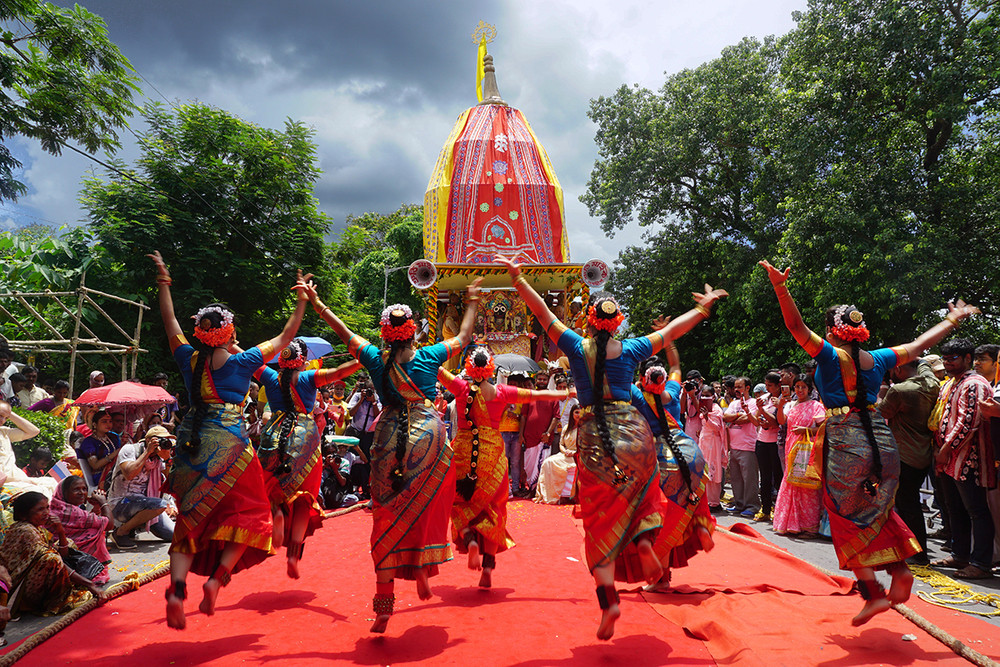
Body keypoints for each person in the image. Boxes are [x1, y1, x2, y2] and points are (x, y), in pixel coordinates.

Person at [498, 253, 726, 640]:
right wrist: (700, 310)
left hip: (594, 439)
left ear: (589, 321)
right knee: (642, 498)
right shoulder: (634, 348)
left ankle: (609, 604)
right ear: (618, 322)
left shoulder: (574, 345)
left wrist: (520, 280)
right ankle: (643, 541)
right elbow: (671, 336)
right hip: (635, 434)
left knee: (599, 520)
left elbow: (543, 317)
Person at [760, 258, 979, 626]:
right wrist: (953, 320)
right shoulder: (876, 358)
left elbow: (795, 326)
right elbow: (920, 343)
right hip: (882, 441)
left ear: (832, 330)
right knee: (878, 510)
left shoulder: (828, 355)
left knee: (844, 515)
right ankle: (898, 571)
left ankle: (873, 592)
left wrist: (781, 287)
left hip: (847, 444)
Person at [305, 276, 481, 634]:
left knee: (387, 516)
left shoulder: (373, 357)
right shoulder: (431, 355)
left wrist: (317, 303)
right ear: (413, 332)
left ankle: (384, 605)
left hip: (387, 439)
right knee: (428, 504)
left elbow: (343, 332)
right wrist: (473, 301)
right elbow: (463, 339)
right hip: (428, 436)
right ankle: (422, 569)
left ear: (385, 333)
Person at [148, 251, 308, 630]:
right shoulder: (242, 362)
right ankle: (218, 579)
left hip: (190, 439)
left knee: (189, 519)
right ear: (230, 332)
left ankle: (176, 589)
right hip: (230, 441)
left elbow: (169, 321)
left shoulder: (187, 357)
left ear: (200, 332)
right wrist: (302, 301)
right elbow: (287, 336)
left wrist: (164, 284)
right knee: (252, 514)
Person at [439, 347, 572, 589]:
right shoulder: (502, 392)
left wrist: (405, 348)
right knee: (494, 509)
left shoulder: (460, 388)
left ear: (469, 367)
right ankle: (488, 567)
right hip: (493, 456)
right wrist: (566, 392)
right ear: (491, 370)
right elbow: (537, 395)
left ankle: (469, 538)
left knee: (459, 503)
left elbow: (435, 370)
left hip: (463, 453)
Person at [254, 339, 360, 578]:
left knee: (273, 487)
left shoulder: (270, 377)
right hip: (304, 439)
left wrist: (229, 344)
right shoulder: (309, 378)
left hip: (273, 435)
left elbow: (249, 359)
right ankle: (293, 554)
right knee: (304, 498)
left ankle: (277, 513)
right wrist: (362, 358)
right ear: (301, 360)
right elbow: (339, 372)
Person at [633, 360, 716, 592]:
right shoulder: (671, 390)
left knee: (661, 521)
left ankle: (661, 578)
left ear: (642, 378)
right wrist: (668, 343)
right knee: (688, 498)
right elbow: (677, 366)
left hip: (660, 456)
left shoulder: (637, 395)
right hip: (689, 450)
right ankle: (701, 524)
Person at [932, 338, 996, 579]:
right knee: (955, 508)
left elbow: (969, 422)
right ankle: (960, 554)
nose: (947, 363)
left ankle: (980, 563)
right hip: (949, 458)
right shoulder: (951, 383)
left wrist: (946, 449)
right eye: (945, 359)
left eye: (953, 359)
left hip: (971, 459)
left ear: (967, 358)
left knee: (977, 510)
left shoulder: (975, 384)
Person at [0, 491, 104, 615]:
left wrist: (60, 532)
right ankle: (46, 602)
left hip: (30, 579)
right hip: (17, 589)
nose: (46, 513)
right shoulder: (25, 530)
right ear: (23, 515)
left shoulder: (37, 528)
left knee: (67, 544)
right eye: (40, 509)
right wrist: (88, 584)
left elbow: (64, 555)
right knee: (51, 558)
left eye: (47, 508)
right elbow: (55, 558)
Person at [879, 358, 940, 564]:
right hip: (924, 454)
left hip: (904, 455)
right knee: (909, 503)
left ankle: (917, 553)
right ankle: (912, 549)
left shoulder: (900, 391)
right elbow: (924, 365)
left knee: (907, 505)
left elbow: (882, 411)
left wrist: (881, 391)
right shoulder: (931, 383)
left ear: (898, 369)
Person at [773, 374, 826, 537]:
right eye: (797, 387)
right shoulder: (791, 404)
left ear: (809, 388)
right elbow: (781, 422)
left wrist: (807, 430)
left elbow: (824, 428)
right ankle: (791, 524)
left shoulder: (816, 406)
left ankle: (810, 526)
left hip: (807, 450)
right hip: (791, 449)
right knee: (792, 483)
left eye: (803, 387)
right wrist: (781, 406)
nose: (800, 390)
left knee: (806, 486)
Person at [106, 425, 176, 550]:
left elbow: (171, 483)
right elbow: (129, 474)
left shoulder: (158, 459)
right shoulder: (130, 449)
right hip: (120, 503)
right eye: (161, 440)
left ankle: (133, 526)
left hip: (147, 504)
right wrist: (147, 452)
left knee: (174, 535)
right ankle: (120, 532)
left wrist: (167, 459)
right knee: (160, 504)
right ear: (149, 440)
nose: (164, 443)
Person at [49, 476, 113, 584]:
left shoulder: (56, 506)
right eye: (76, 489)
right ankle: (89, 572)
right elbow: (109, 525)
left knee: (95, 527)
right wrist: (103, 502)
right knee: (96, 531)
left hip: (59, 554)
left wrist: (97, 507)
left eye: (84, 489)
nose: (82, 493)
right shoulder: (72, 512)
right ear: (64, 492)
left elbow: (88, 521)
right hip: (63, 556)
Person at [745, 372, 782, 521]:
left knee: (778, 477)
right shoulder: (763, 399)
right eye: (766, 385)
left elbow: (775, 422)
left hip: (775, 443)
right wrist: (747, 410)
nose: (767, 388)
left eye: (770, 385)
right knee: (765, 478)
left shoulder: (781, 400)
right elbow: (755, 422)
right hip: (762, 441)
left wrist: (762, 411)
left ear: (778, 385)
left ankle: (779, 510)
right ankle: (765, 509)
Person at [0, 403, 57, 496]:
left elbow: (34, 431)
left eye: (6, 418)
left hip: (19, 477)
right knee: (41, 492)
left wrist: (10, 413)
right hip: (8, 481)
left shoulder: (4, 432)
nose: (2, 421)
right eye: (0, 416)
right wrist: (27, 481)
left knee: (55, 483)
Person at [519, 370, 560, 496]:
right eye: (539, 379)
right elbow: (524, 416)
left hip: (544, 438)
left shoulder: (553, 396)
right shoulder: (530, 395)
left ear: (548, 381)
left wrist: (548, 433)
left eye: (544, 379)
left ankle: (540, 492)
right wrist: (520, 434)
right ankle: (532, 490)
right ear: (535, 380)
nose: (541, 381)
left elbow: (556, 417)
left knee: (543, 467)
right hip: (529, 437)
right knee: (529, 467)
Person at [722, 377, 759, 517]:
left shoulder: (754, 403)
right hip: (734, 446)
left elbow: (749, 418)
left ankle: (752, 506)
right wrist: (739, 415)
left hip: (748, 446)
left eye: (740, 387)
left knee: (749, 479)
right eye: (735, 387)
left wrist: (736, 418)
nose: (736, 390)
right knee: (736, 479)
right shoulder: (734, 403)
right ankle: (739, 504)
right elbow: (725, 417)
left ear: (748, 387)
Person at [536, 404, 582, 505]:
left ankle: (566, 495)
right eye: (576, 412)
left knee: (566, 466)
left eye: (580, 412)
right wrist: (565, 451)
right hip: (565, 454)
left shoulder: (584, 429)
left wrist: (574, 452)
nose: (578, 415)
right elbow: (561, 444)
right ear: (572, 414)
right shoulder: (566, 427)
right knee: (547, 462)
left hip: (577, 456)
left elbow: (586, 446)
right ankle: (548, 494)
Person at [696, 385, 727, 510]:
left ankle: (714, 502)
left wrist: (707, 417)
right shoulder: (703, 408)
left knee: (713, 471)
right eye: (703, 395)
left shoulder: (716, 409)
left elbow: (717, 427)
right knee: (703, 470)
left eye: (708, 395)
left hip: (713, 443)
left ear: (713, 397)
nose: (705, 397)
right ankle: (705, 500)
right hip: (704, 441)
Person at [76, 410, 122, 489]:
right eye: (104, 421)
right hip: (101, 476)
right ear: (94, 424)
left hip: (116, 471)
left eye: (110, 421)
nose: (108, 424)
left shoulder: (113, 437)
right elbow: (95, 465)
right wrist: (115, 453)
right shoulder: (88, 442)